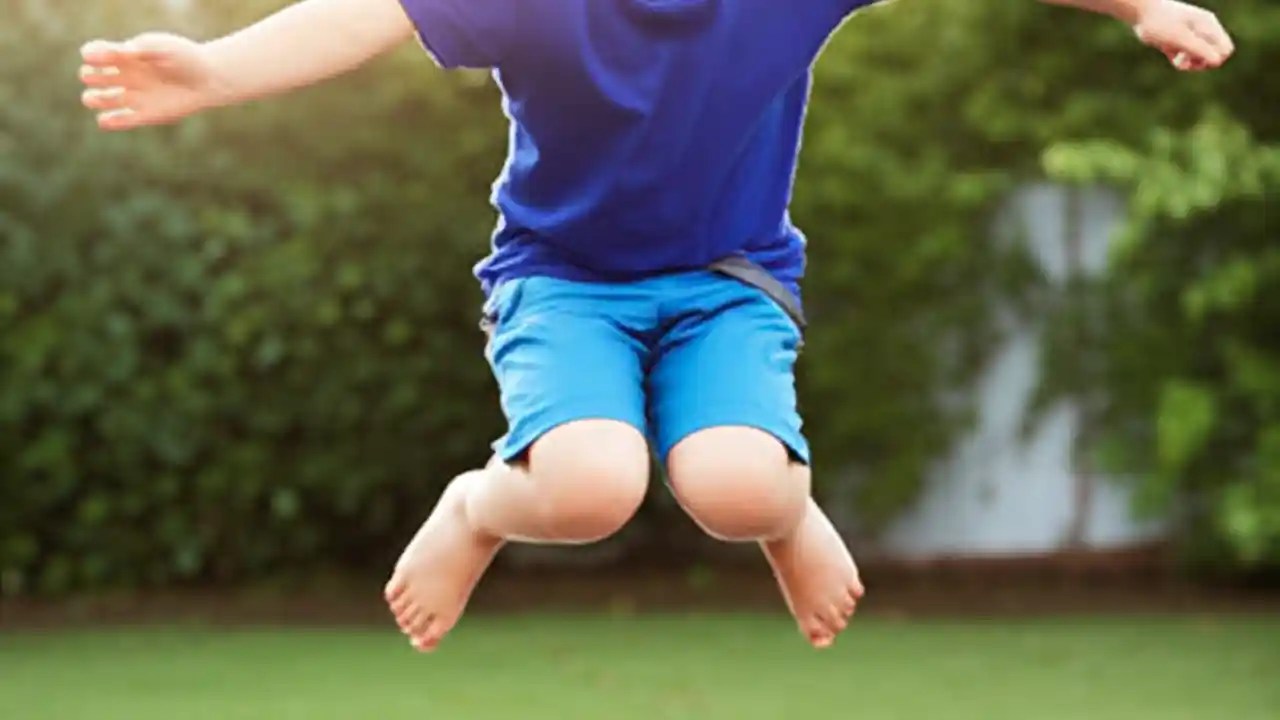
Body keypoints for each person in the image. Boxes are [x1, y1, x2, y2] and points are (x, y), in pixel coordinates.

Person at [79, 0, 1234, 651]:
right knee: (587, 489)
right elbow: (369, 11)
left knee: (740, 488)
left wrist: (1137, 6)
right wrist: (215, 72)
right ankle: (476, 504)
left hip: (727, 278)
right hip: (564, 279)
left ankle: (785, 512)